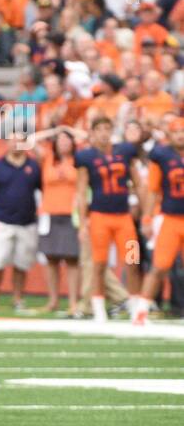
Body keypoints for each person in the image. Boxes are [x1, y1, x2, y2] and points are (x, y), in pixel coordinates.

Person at [75, 115, 140, 321]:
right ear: (92, 133)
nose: (104, 133)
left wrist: (143, 209)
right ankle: (99, 308)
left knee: (132, 261)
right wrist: (83, 223)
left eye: (107, 128)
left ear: (112, 130)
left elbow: (138, 182)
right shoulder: (85, 156)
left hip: (124, 217)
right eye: (99, 129)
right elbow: (81, 190)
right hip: (99, 216)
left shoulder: (125, 151)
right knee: (99, 264)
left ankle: (135, 305)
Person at [132, 116, 184, 325]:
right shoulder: (161, 155)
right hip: (170, 218)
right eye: (177, 131)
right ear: (169, 135)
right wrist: (147, 217)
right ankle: (141, 311)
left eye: (183, 131)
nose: (181, 135)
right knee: (159, 266)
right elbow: (152, 190)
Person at [0, 140, 42, 311]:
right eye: (13, 140)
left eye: (20, 141)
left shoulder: (33, 166)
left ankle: (18, 298)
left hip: (27, 221)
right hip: (1, 220)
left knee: (22, 263)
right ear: (7, 143)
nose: (16, 144)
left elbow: (43, 190)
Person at [33, 127, 81, 315]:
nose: (63, 143)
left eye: (67, 140)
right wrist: (56, 130)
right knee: (51, 259)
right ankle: (52, 300)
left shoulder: (79, 160)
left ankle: (73, 302)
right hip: (49, 212)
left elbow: (91, 139)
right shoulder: (47, 159)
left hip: (71, 213)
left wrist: (70, 130)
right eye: (60, 140)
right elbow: (29, 140)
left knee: (72, 260)